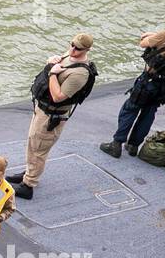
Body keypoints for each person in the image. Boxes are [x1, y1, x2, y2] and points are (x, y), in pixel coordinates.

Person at [8, 35, 98, 199]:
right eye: (72, 45)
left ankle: (29, 184)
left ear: (86, 50)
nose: (72, 49)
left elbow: (58, 96)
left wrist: (51, 73)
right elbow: (56, 66)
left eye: (77, 48)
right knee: (33, 142)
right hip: (42, 109)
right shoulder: (69, 56)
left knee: (39, 149)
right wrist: (52, 61)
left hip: (52, 115)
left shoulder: (80, 74)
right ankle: (29, 172)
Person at [100, 9, 165, 159]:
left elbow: (143, 43)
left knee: (130, 109)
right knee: (148, 113)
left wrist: (150, 36)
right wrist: (156, 36)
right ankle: (133, 146)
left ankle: (116, 144)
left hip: (149, 81)